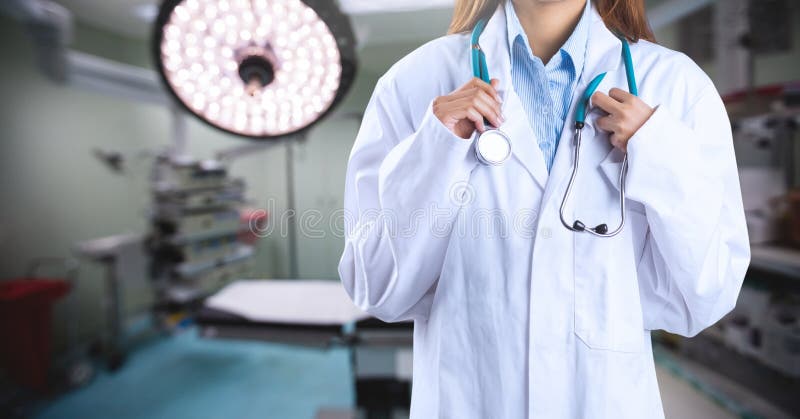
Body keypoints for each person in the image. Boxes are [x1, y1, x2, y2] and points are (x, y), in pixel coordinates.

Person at [338, 0, 750, 417]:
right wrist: (434, 148)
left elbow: (706, 295)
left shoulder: (675, 88)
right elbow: (377, 287)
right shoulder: (414, 82)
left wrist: (658, 154)